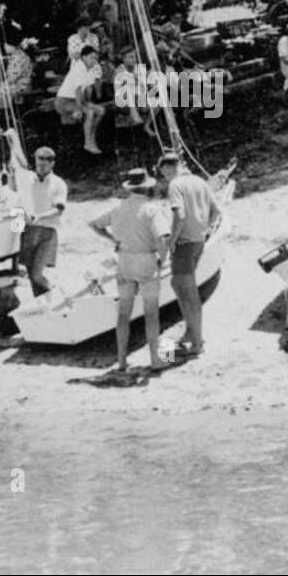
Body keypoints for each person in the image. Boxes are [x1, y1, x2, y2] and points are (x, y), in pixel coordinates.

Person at [89, 167, 172, 371]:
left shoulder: (118, 208)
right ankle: (155, 359)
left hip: (124, 260)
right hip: (145, 259)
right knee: (151, 313)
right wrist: (163, 258)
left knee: (123, 314)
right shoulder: (151, 209)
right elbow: (164, 237)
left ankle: (122, 360)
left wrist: (113, 240)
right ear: (147, 187)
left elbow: (93, 224)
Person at [158, 152, 220, 356]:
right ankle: (190, 332)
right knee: (178, 284)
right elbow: (216, 210)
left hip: (184, 244)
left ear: (167, 168)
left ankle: (197, 343)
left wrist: (171, 241)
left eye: (163, 172)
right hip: (199, 241)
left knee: (188, 294)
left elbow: (180, 215)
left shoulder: (175, 185)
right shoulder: (199, 182)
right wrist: (206, 229)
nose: (164, 177)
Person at [13, 146, 67, 297]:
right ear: (35, 159)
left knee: (37, 274)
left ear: (53, 163)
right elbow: (18, 205)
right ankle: (42, 305)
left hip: (47, 234)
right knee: (31, 275)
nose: (43, 162)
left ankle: (55, 298)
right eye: (40, 158)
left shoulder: (58, 183)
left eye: (48, 159)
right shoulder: (27, 179)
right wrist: (16, 233)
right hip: (28, 233)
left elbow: (60, 209)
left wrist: (40, 216)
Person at [55, 45, 106, 155]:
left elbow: (88, 89)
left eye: (96, 58)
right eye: (92, 58)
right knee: (90, 112)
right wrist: (79, 109)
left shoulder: (89, 70)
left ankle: (92, 136)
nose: (94, 61)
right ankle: (88, 143)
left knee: (101, 110)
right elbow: (78, 91)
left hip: (76, 100)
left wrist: (88, 102)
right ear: (84, 57)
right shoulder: (79, 68)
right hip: (64, 101)